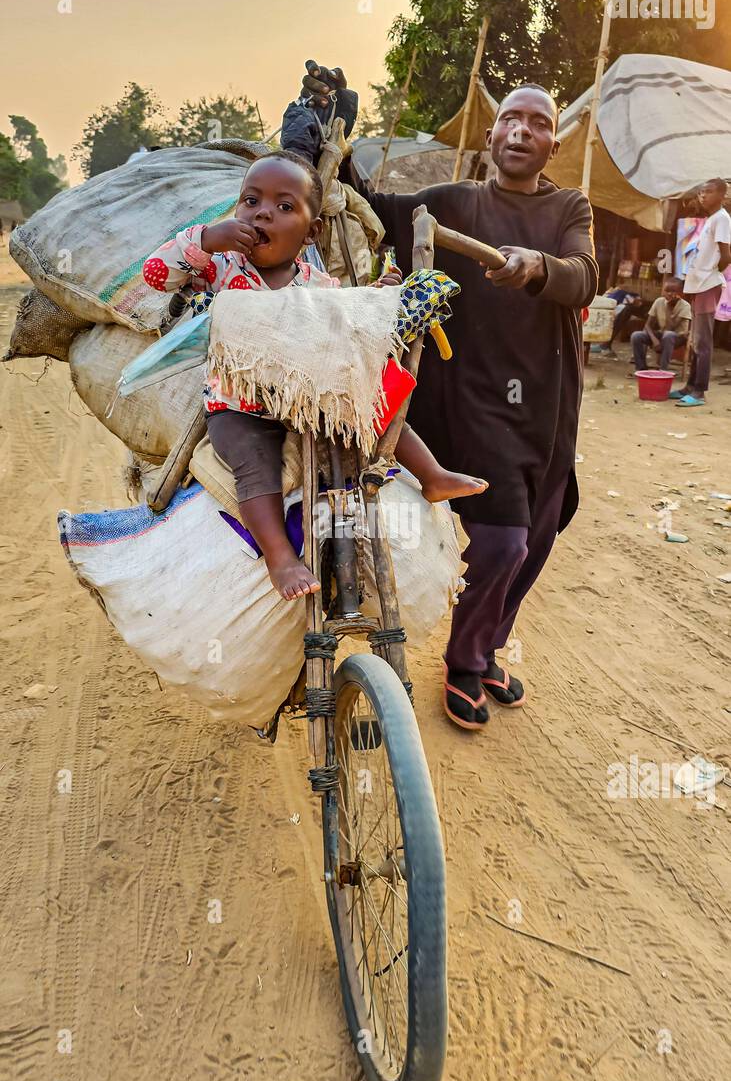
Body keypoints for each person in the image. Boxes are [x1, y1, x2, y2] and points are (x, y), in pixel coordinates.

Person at [283, 67, 598, 728]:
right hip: (472, 403)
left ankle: (484, 649)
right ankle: (462, 662)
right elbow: (359, 204)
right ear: (491, 135)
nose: (522, 129)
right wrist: (327, 125)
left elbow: (583, 276)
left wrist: (537, 266)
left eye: (538, 123)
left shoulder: (567, 210)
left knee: (538, 539)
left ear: (551, 145)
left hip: (548, 406)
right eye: (511, 118)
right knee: (503, 544)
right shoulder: (446, 204)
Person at [142, 150, 486, 600]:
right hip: (238, 405)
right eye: (251, 201)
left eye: (285, 207)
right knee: (253, 466)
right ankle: (280, 557)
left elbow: (348, 325)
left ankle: (433, 474)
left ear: (312, 232)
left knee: (371, 400)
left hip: (306, 395)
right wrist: (207, 238)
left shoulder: (318, 286)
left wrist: (376, 298)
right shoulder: (220, 268)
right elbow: (156, 274)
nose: (264, 212)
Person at [671, 178, 731, 406]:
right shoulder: (711, 219)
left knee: (703, 341)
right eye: (702, 192)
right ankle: (690, 386)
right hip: (699, 285)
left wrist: (709, 275)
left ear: (722, 196)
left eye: (708, 192)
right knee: (696, 340)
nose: (703, 196)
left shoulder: (722, 219)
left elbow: (726, 255)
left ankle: (699, 392)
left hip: (707, 284)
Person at [631, 277, 691, 370]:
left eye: (673, 291)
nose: (669, 294)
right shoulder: (659, 301)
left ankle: (663, 370)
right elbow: (648, 325)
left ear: (680, 293)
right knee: (636, 336)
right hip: (662, 334)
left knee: (668, 335)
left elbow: (671, 328)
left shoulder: (685, 306)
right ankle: (641, 368)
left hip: (678, 337)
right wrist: (654, 340)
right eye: (667, 291)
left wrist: (668, 307)